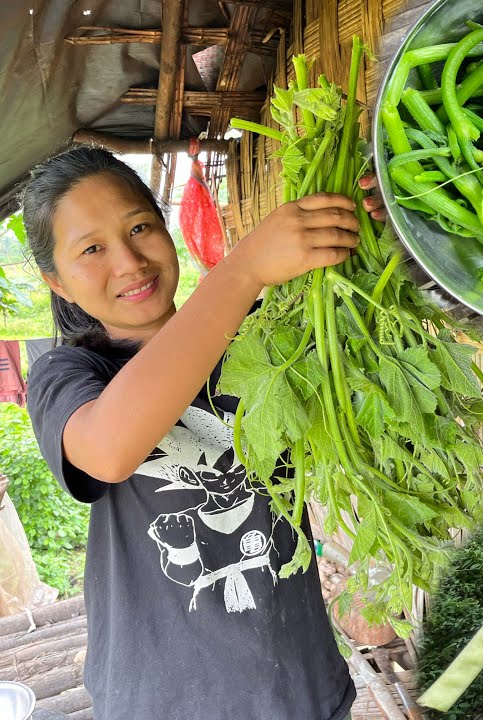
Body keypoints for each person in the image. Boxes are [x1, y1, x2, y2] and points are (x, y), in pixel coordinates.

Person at [21, 146, 386, 720]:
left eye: (140, 227)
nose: (129, 261)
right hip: (168, 701)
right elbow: (107, 452)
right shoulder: (67, 373)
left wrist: (368, 239)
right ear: (56, 281)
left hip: (301, 686)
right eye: (91, 249)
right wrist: (242, 269)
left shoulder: (260, 342)